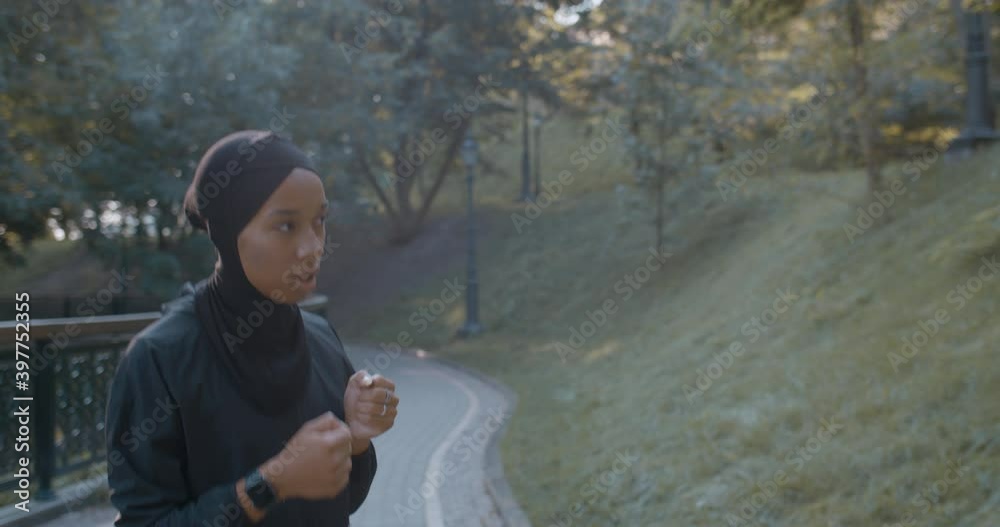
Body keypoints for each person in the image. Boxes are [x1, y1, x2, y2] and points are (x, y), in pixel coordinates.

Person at [105, 130, 399, 526]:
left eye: (319, 222)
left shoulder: (320, 338)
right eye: (286, 226)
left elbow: (343, 501)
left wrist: (357, 438)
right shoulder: (158, 358)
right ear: (228, 230)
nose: (312, 247)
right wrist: (270, 484)